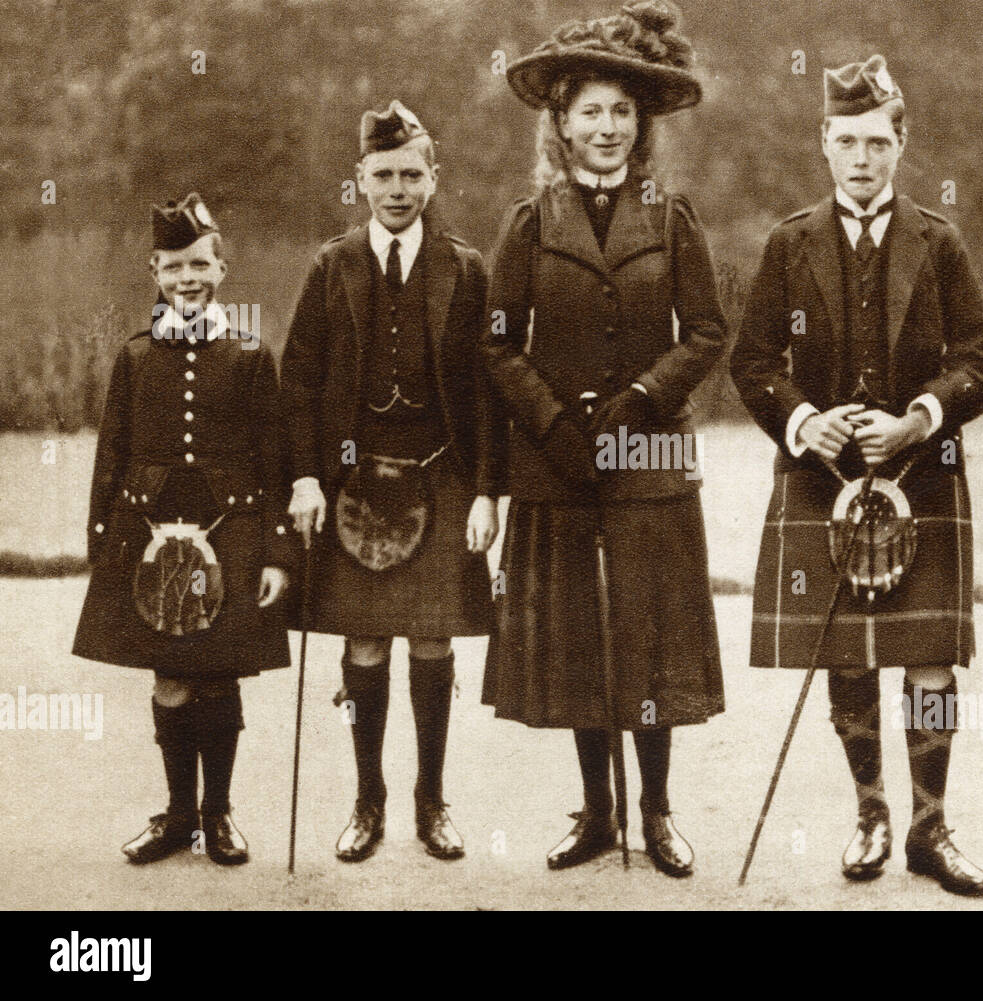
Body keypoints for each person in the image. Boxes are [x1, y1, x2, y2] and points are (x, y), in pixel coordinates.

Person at [730, 56, 983, 894]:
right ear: (824, 142)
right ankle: (871, 815)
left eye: (878, 142)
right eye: (846, 141)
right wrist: (806, 421)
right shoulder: (789, 241)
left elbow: (980, 362)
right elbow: (753, 363)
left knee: (927, 659)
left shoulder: (940, 242)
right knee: (850, 658)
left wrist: (919, 414)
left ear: (901, 143)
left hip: (923, 476)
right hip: (822, 480)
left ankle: (929, 825)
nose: (862, 158)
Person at [482, 0, 726, 877]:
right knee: (583, 633)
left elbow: (706, 332)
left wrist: (642, 401)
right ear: (562, 122)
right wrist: (552, 423)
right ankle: (596, 810)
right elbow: (498, 341)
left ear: (642, 124)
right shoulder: (528, 221)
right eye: (591, 110)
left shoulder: (672, 217)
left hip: (650, 457)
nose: (608, 127)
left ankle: (656, 812)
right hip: (559, 461)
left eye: (622, 111)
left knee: (650, 635)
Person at [281, 100, 504, 863]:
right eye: (384, 174)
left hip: (439, 476)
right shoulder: (330, 263)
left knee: (434, 640)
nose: (399, 188)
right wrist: (305, 477)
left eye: (412, 173)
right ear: (361, 181)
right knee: (366, 641)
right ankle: (366, 797)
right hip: (351, 486)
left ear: (433, 178)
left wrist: (487, 490)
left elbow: (488, 387)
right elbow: (299, 379)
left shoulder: (467, 268)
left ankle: (431, 799)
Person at [73, 193, 295, 866]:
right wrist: (101, 543)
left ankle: (217, 816)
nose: (187, 279)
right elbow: (111, 451)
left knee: (219, 677)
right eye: (174, 267)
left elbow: (275, 460)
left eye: (200, 264)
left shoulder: (252, 356)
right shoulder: (135, 357)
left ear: (222, 269)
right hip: (147, 537)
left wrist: (277, 553)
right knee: (170, 679)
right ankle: (175, 816)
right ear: (155, 271)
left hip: (235, 533)